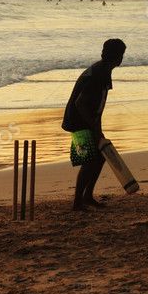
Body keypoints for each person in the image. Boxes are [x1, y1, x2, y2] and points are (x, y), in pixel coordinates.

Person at [63, 38, 127, 211]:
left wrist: (98, 129)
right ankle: (78, 202)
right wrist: (93, 128)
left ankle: (87, 196)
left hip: (87, 121)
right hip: (78, 121)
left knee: (99, 157)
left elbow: (97, 105)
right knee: (89, 160)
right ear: (118, 57)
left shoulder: (103, 70)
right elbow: (81, 103)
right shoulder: (99, 73)